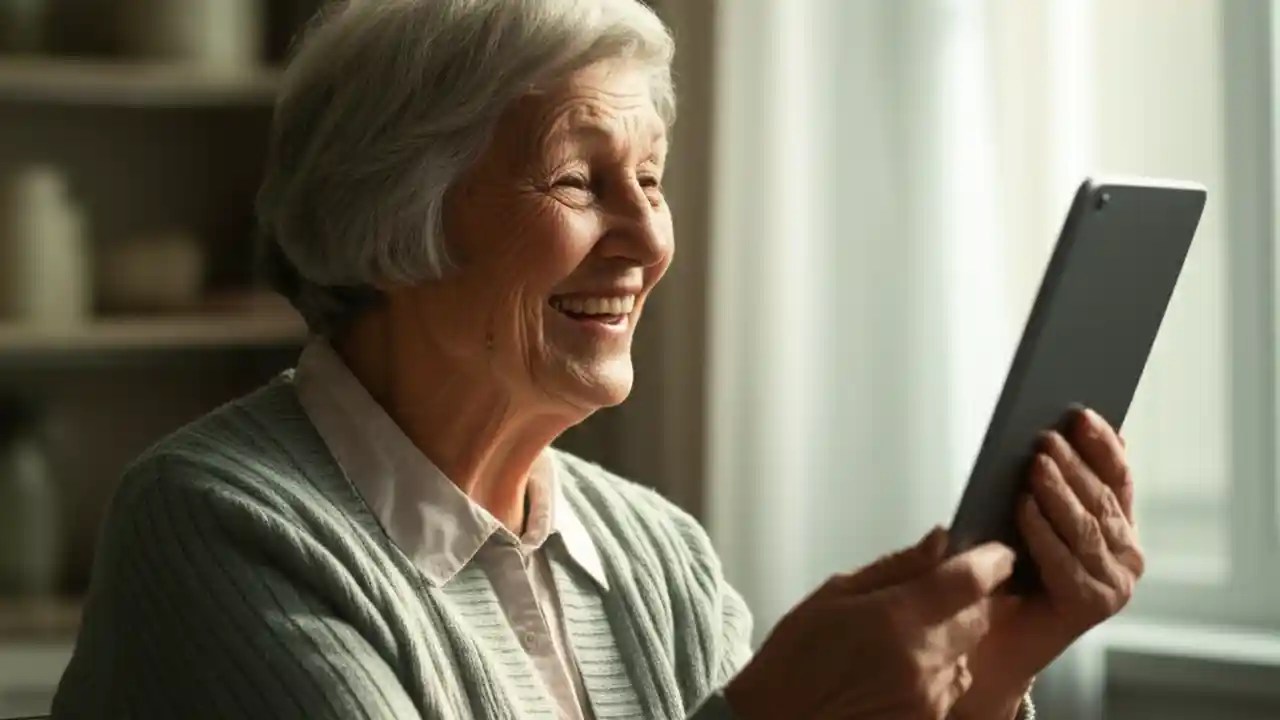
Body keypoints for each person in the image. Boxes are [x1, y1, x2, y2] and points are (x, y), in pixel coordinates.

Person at [52, 1, 1143, 718]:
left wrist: (987, 677)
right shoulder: (214, 526)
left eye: (653, 181)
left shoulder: (656, 553)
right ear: (394, 215)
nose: (648, 239)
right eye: (580, 181)